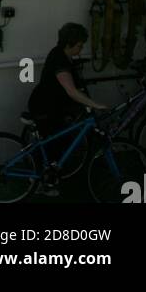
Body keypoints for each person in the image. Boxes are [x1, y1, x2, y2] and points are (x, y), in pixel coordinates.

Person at [27, 22, 106, 188]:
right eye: (79, 45)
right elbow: (71, 91)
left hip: (53, 105)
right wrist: (94, 104)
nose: (81, 48)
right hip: (45, 108)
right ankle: (41, 183)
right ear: (69, 44)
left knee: (58, 139)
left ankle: (46, 176)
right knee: (52, 144)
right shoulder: (60, 61)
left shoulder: (61, 54)